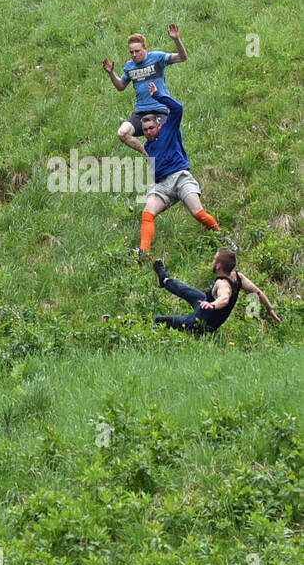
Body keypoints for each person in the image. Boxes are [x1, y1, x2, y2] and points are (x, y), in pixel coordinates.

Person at [132, 82, 218, 258]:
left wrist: (157, 96)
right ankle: (143, 252)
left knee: (198, 213)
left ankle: (221, 237)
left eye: (151, 128)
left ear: (159, 126)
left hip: (180, 177)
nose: (148, 132)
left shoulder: (169, 129)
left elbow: (178, 108)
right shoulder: (149, 145)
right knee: (147, 212)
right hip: (163, 184)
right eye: (145, 130)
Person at [103, 24, 187, 155]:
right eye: (131, 52)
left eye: (137, 51)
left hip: (159, 110)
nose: (134, 55)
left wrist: (176, 39)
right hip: (141, 112)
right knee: (123, 133)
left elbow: (182, 57)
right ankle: (148, 154)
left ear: (145, 49)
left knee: (167, 139)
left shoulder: (157, 58)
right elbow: (120, 86)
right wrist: (111, 73)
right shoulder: (129, 66)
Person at [151, 249, 280, 334]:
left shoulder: (222, 284)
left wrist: (212, 305)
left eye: (214, 260)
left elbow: (224, 298)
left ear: (218, 266)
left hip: (201, 323)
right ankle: (164, 279)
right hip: (204, 305)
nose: (213, 262)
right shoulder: (238, 277)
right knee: (186, 290)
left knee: (160, 320)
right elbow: (258, 292)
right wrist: (270, 309)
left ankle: (140, 321)